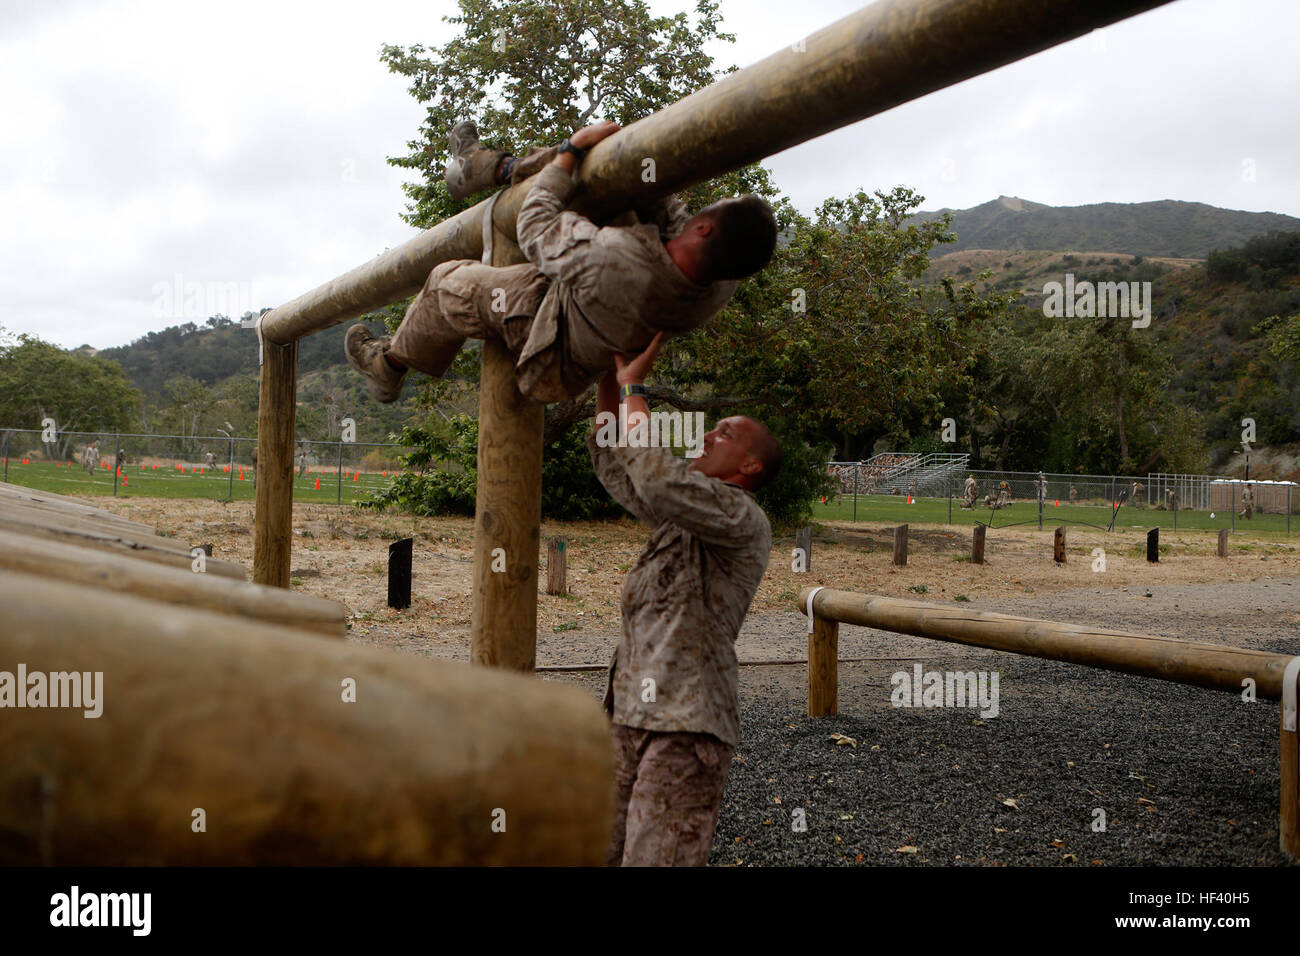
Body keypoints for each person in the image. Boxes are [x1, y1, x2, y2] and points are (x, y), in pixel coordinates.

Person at [345, 120, 778, 405]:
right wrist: (623, 155)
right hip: (591, 314)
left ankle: (389, 366)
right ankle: (486, 167)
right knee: (600, 170)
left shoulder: (619, 259)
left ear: (704, 230)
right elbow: (672, 215)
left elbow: (535, 225)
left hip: (548, 336)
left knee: (443, 281)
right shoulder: (722, 278)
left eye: (711, 210)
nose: (696, 214)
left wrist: (569, 150)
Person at [588, 333, 777, 867]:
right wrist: (607, 378)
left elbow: (656, 476)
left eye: (725, 434)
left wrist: (634, 386)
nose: (708, 436)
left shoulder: (742, 519)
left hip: (688, 724)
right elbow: (619, 466)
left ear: (751, 467)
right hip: (628, 714)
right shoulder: (680, 518)